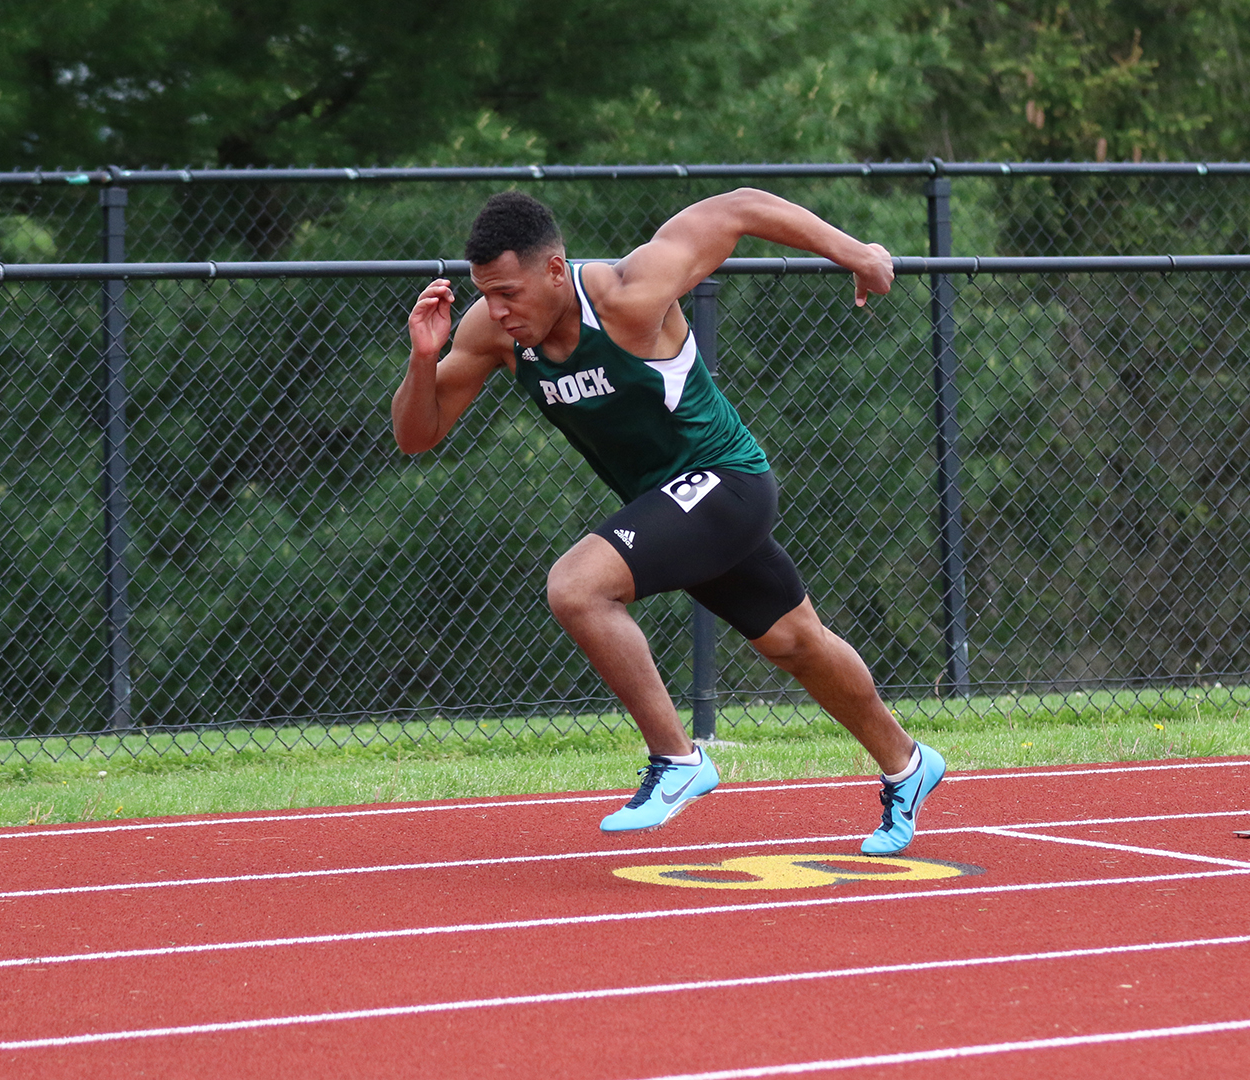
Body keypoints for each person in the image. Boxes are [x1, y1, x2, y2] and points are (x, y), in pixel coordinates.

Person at [391, 188, 944, 854]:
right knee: (797, 643)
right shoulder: (492, 332)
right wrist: (424, 360)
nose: (499, 311)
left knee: (576, 587)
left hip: (727, 483)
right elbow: (417, 435)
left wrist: (857, 253)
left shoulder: (629, 294)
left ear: (556, 270)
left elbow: (736, 209)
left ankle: (678, 760)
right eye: (487, 294)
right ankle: (909, 764)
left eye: (509, 292)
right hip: (674, 507)